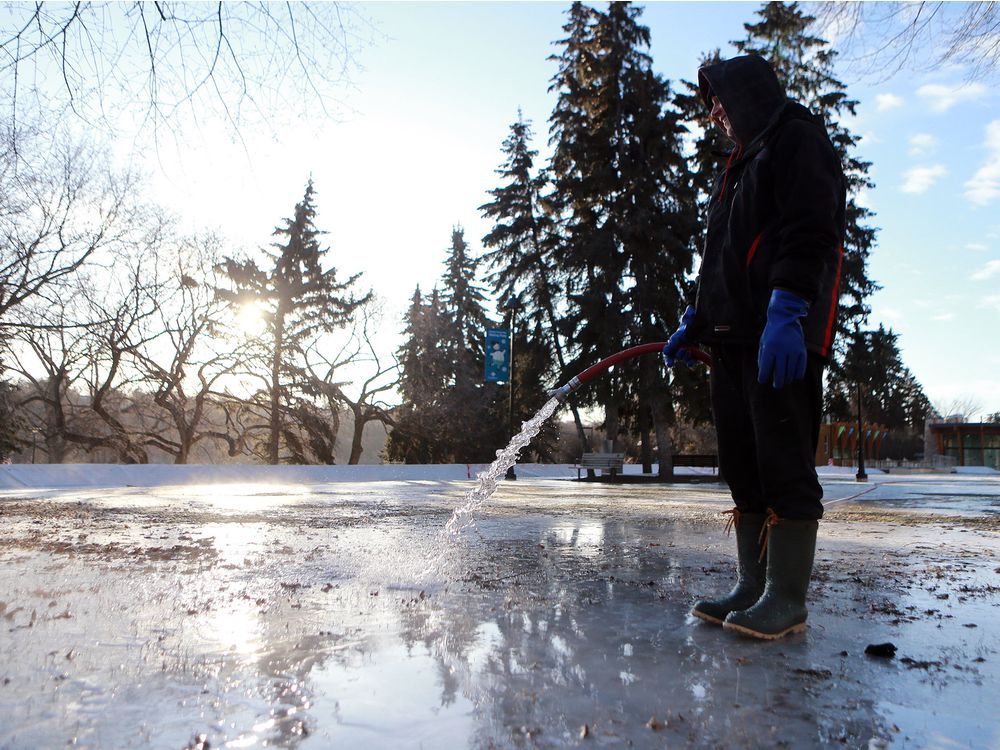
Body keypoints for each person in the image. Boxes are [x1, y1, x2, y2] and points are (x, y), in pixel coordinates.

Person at [663, 55, 846, 640]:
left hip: (779, 335)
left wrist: (788, 309)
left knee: (783, 461)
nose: (713, 112)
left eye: (717, 99)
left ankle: (786, 597)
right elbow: (721, 254)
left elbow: (809, 229)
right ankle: (753, 585)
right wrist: (698, 317)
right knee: (742, 464)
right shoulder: (739, 164)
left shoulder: (796, 138)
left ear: (743, 92)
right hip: (733, 336)